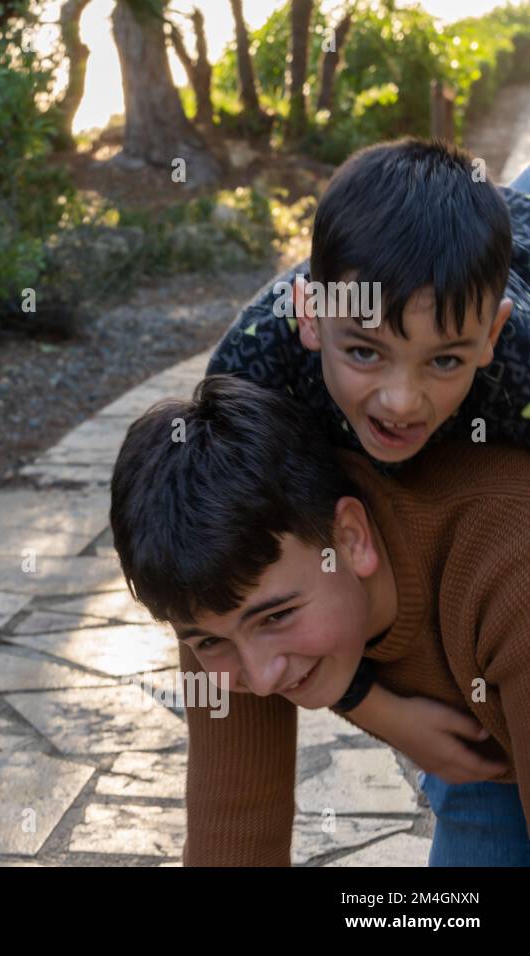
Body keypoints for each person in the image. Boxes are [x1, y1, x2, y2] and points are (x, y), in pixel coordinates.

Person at [201, 136, 530, 865]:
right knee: (477, 777)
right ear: (311, 316)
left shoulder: (516, 367)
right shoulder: (254, 370)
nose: (401, 401)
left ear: (488, 338)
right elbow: (211, 570)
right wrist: (368, 698)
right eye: (364, 352)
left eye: (444, 360)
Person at [108, 374, 530, 866]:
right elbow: (234, 836)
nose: (263, 678)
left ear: (352, 538)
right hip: (480, 752)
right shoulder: (224, 598)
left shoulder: (511, 568)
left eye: (279, 617)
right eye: (206, 642)